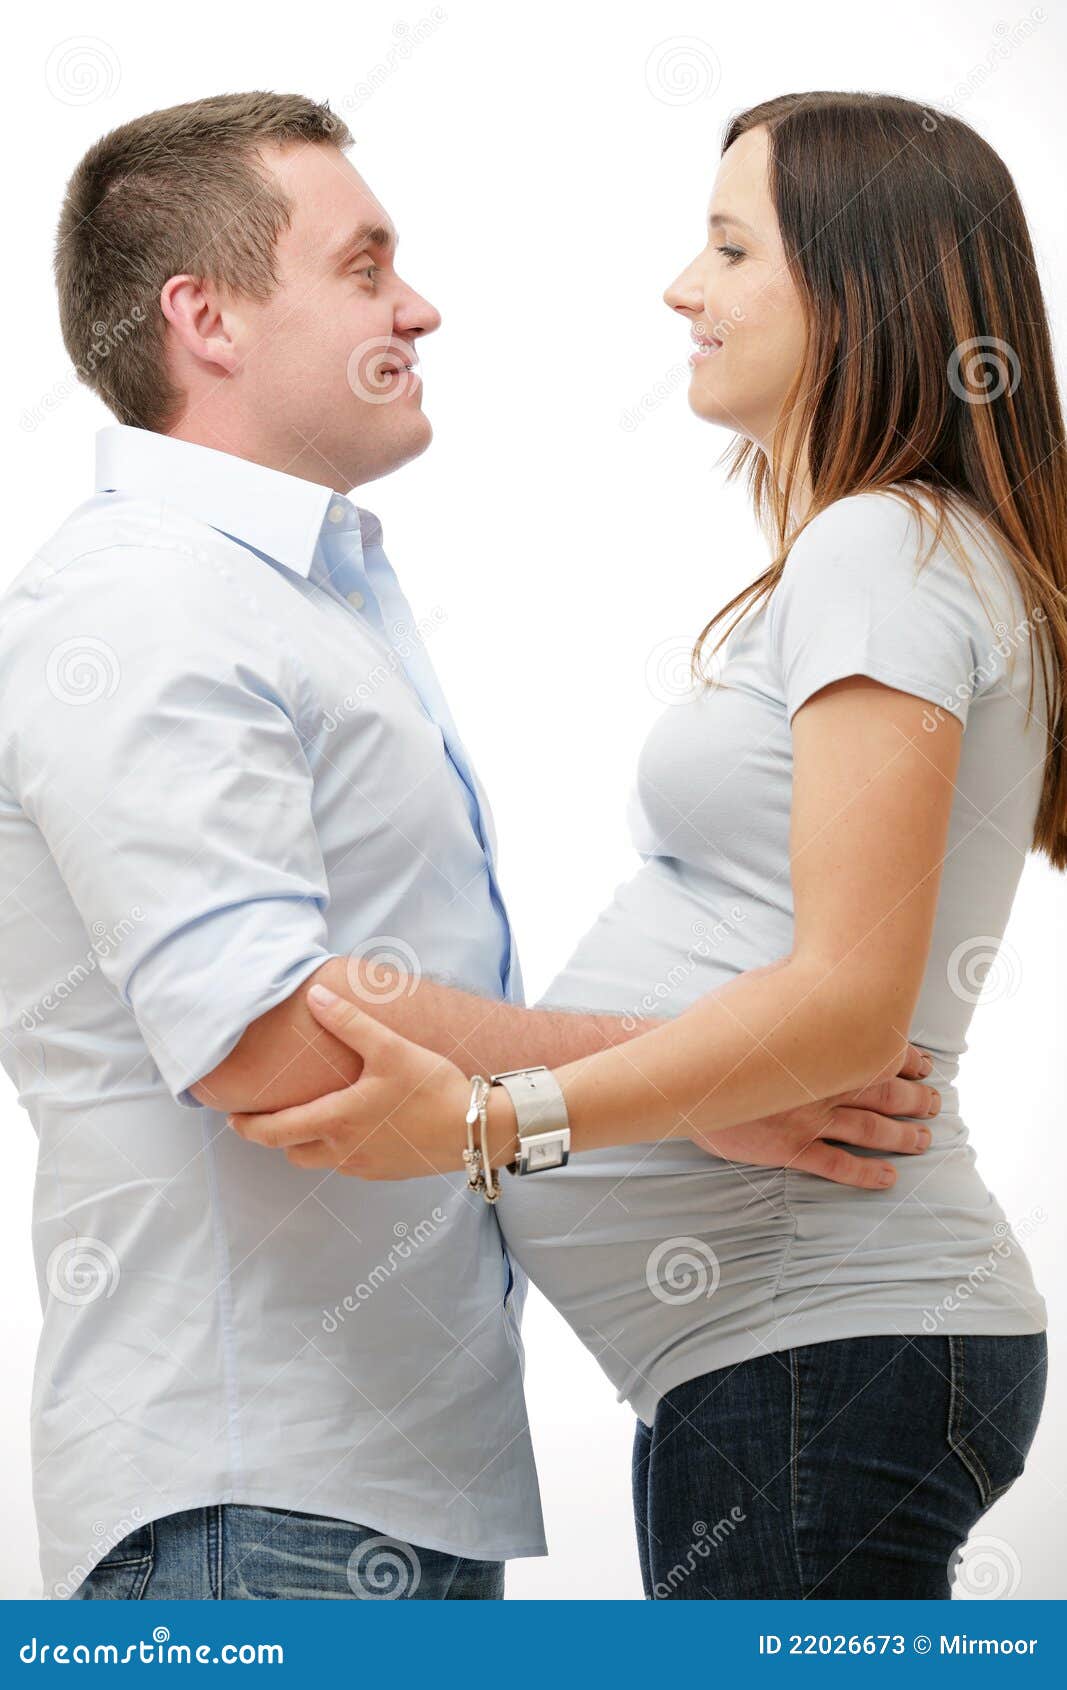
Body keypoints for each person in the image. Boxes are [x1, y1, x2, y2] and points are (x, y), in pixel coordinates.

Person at [0, 90, 932, 1602]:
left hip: (358, 1498)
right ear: (207, 318)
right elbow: (277, 1044)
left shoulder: (291, 597)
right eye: (365, 267)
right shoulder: (145, 602)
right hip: (254, 1510)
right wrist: (703, 1080)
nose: (417, 307)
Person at [231, 92, 1062, 1599]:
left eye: (734, 248)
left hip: (826, 1341)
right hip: (792, 1359)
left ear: (863, 287)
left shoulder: (885, 546)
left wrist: (498, 1123)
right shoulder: (892, 555)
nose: (685, 288)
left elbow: (844, 1009)